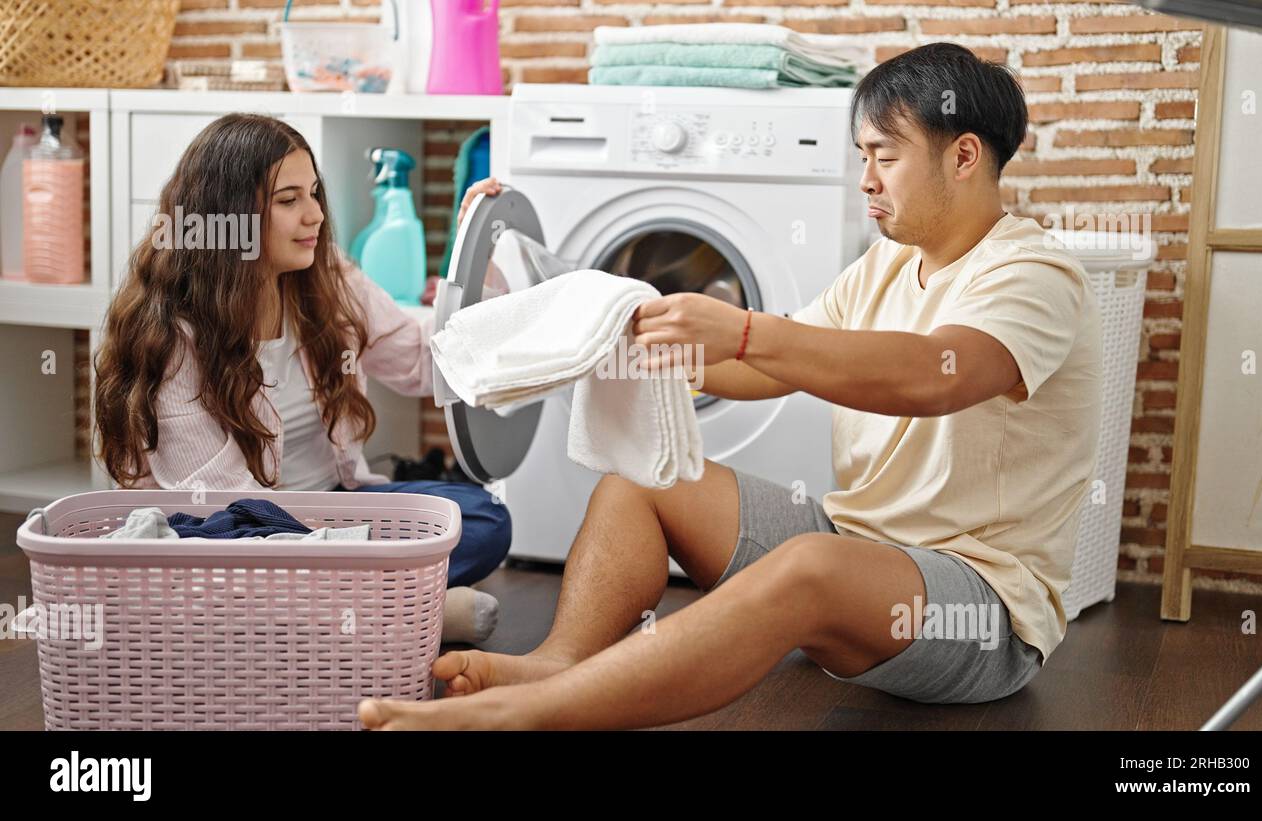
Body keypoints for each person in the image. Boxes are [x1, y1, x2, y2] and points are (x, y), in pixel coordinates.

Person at [358, 42, 1103, 729]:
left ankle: (530, 715)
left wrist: (743, 328)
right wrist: (604, 336)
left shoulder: (1031, 272)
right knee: (642, 480)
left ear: (964, 154)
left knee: (811, 567)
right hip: (859, 553)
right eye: (862, 155)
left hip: (978, 612)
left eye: (886, 155)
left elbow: (935, 375)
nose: (868, 179)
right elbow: (758, 367)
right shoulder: (883, 267)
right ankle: (560, 661)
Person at [93, 113, 511, 640]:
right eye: (288, 200)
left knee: (484, 518)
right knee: (224, 560)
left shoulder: (328, 277)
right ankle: (404, 611)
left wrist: (474, 256)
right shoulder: (173, 333)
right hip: (228, 532)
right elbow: (224, 503)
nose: (314, 214)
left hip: (333, 509)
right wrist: (332, 544)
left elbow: (425, 362)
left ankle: (346, 610)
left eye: (313, 193)